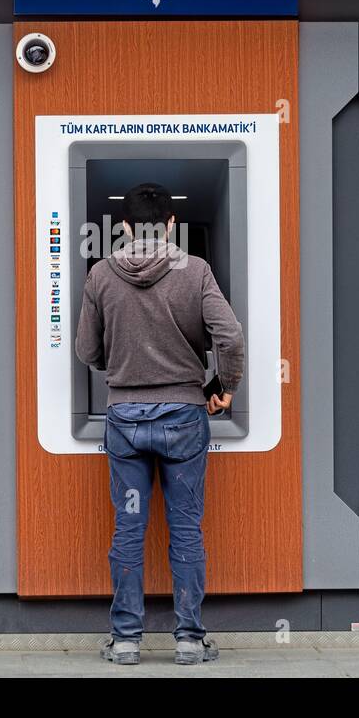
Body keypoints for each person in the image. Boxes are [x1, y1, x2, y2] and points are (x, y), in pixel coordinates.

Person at [75, 182, 245, 666]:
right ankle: (189, 640)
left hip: (125, 420)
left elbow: (87, 351)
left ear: (124, 226)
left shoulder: (101, 275)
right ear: (172, 224)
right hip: (184, 418)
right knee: (186, 527)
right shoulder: (196, 270)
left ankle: (126, 640)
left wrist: (123, 361)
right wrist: (223, 386)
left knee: (128, 529)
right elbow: (229, 335)